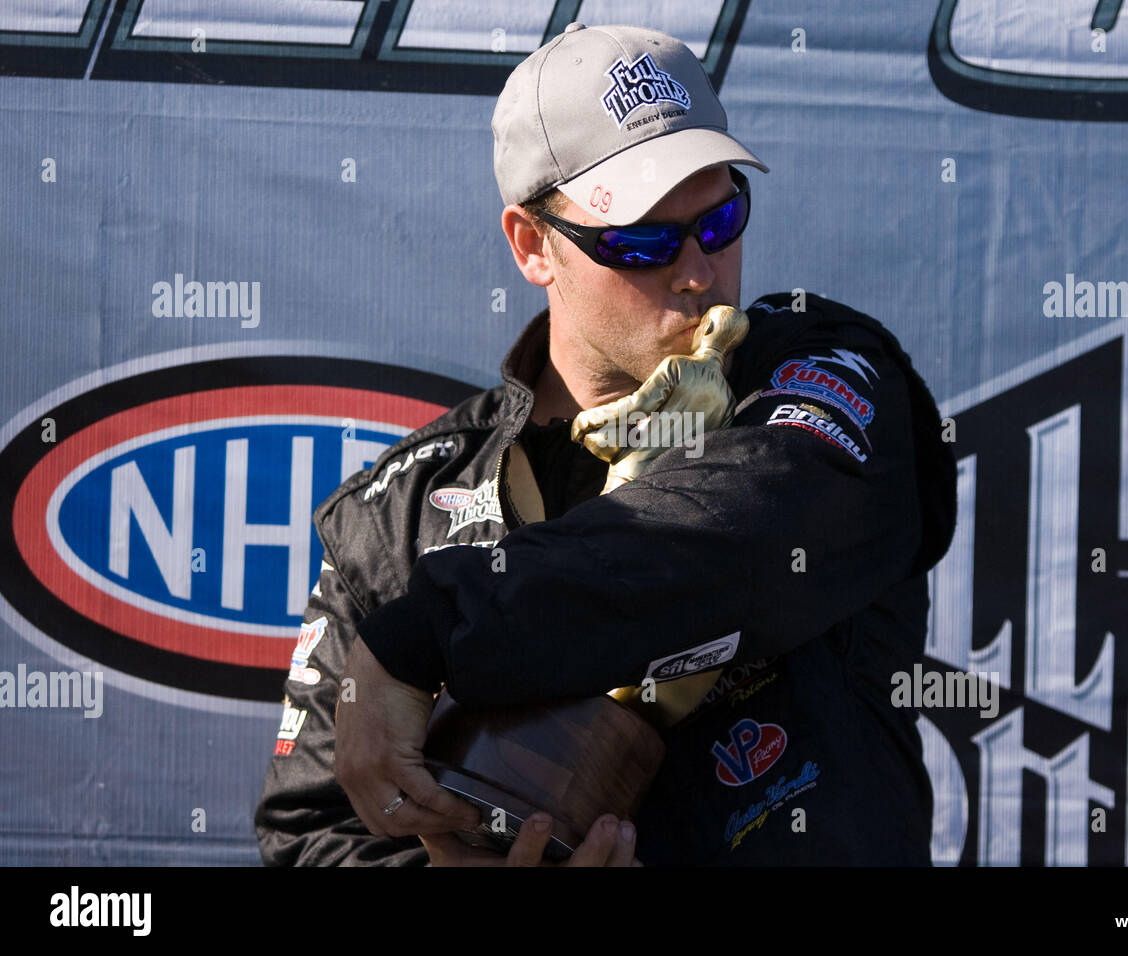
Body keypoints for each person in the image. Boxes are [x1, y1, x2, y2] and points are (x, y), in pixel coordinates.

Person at [255, 22, 957, 867]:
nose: (698, 270)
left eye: (721, 215)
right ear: (531, 245)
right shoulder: (399, 513)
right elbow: (311, 837)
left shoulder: (811, 364)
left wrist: (433, 632)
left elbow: (747, 530)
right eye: (643, 240)